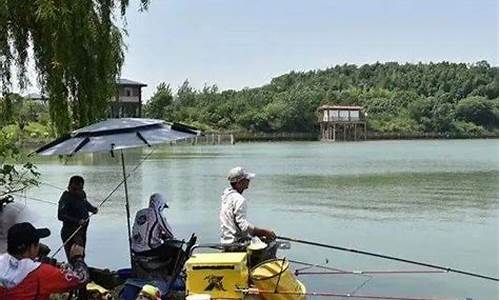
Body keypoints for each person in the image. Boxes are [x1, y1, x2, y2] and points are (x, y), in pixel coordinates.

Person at [0, 222, 89, 299]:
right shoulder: (42, 273)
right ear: (30, 248)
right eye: (37, 244)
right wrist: (77, 257)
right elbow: (81, 278)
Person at [219, 166, 276, 251]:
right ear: (239, 182)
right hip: (236, 244)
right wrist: (264, 232)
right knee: (268, 246)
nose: (249, 181)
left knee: (257, 239)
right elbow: (243, 226)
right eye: (247, 180)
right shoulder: (239, 199)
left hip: (225, 243)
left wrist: (257, 234)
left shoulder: (226, 196)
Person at [131, 193, 183, 279]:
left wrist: (159, 234)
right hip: (148, 250)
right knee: (178, 250)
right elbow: (170, 234)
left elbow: (145, 230)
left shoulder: (140, 213)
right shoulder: (157, 214)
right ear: (160, 204)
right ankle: (170, 276)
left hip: (135, 250)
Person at [58, 175, 98, 261]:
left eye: (80, 188)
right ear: (69, 186)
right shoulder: (65, 197)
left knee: (81, 255)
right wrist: (77, 221)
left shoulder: (82, 194)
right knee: (74, 257)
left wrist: (92, 209)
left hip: (82, 231)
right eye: (74, 189)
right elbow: (60, 215)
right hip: (70, 232)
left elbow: (85, 204)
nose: (77, 191)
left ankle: (81, 271)